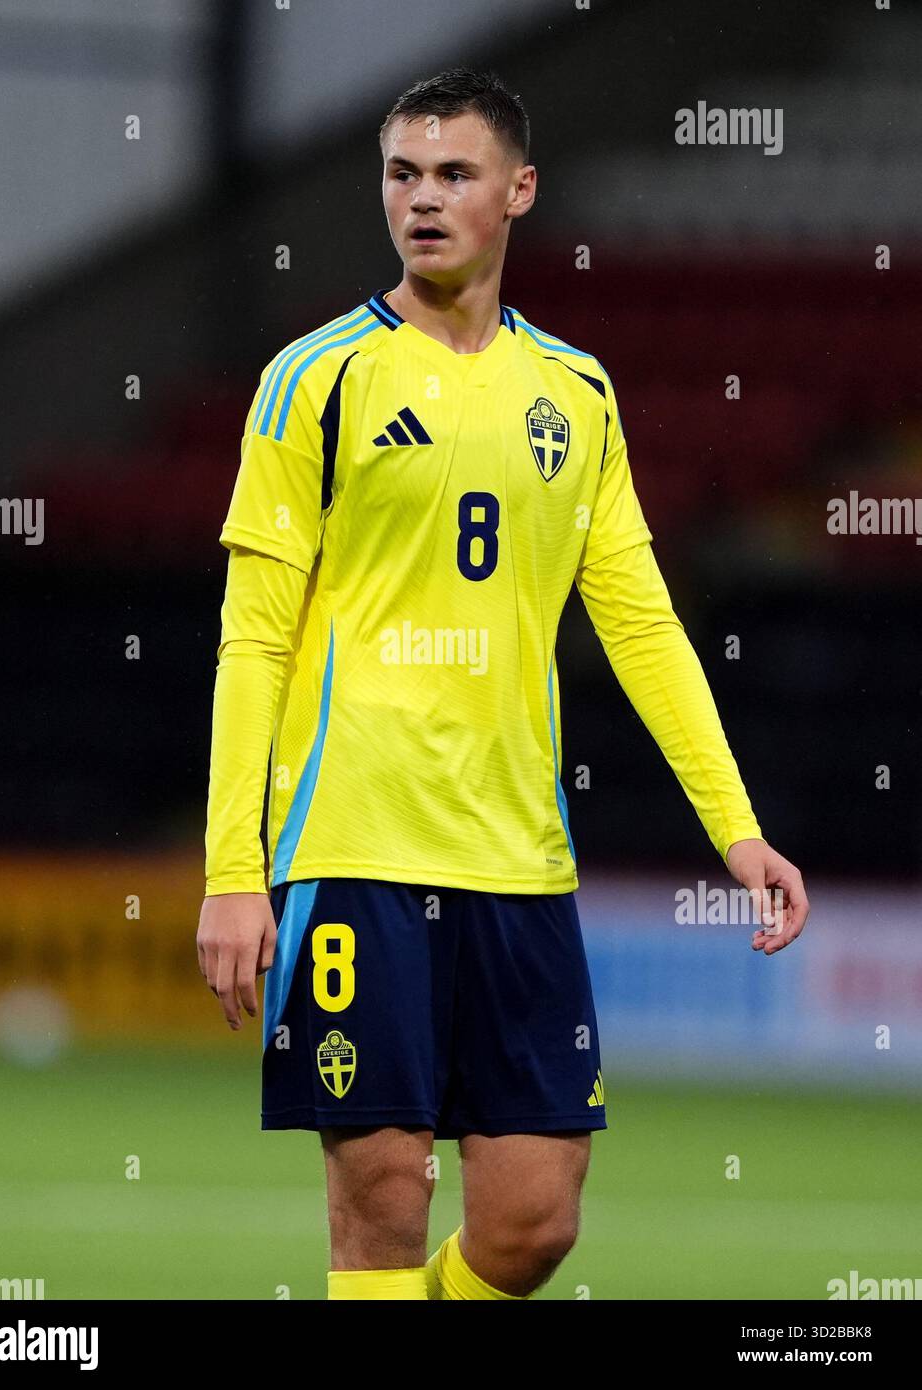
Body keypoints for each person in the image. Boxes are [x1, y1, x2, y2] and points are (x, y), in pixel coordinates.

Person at [197, 66, 809, 1301]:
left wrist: (735, 826)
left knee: (534, 1224)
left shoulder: (576, 394)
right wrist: (231, 870)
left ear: (518, 191)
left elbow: (639, 621)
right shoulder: (311, 381)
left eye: (455, 174)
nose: (422, 200)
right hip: (356, 839)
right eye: (402, 175)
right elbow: (252, 638)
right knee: (382, 1200)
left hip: (518, 855)